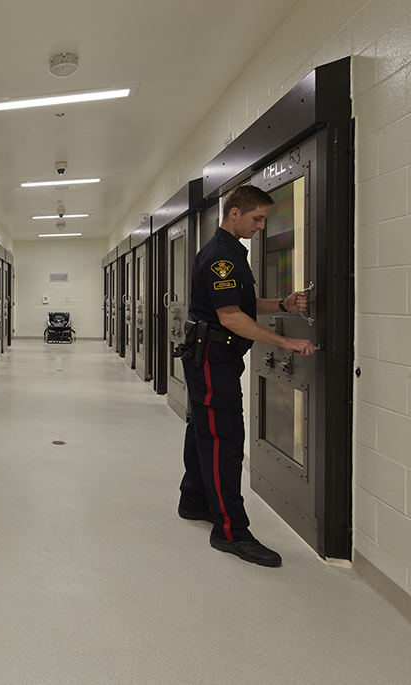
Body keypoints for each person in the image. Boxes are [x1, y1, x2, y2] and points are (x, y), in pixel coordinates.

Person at [177, 185, 316, 567]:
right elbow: (231, 316)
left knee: (202, 428)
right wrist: (284, 341)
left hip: (214, 356)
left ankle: (194, 499)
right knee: (225, 438)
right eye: (256, 218)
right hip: (212, 358)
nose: (261, 226)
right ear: (234, 213)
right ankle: (230, 531)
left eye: (264, 219)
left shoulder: (232, 253)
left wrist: (281, 304)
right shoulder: (221, 257)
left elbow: (240, 302)